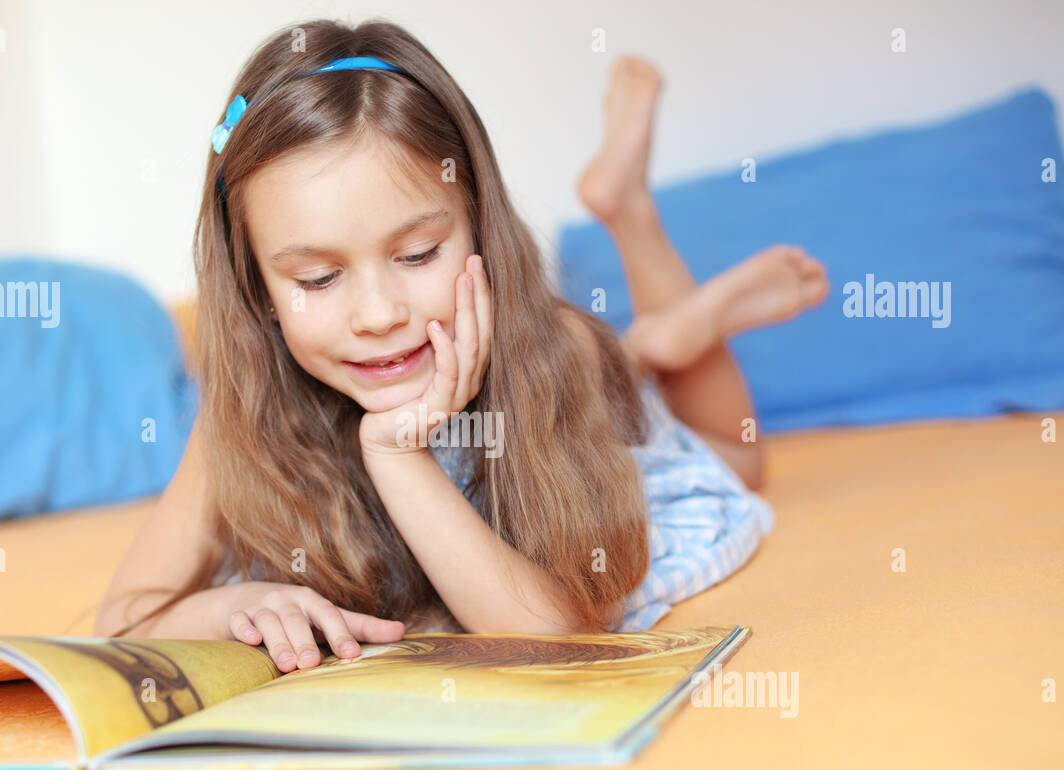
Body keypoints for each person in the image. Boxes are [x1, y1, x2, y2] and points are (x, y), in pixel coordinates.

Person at [95, 19, 827, 673]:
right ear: (255, 285)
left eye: (417, 255)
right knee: (630, 374)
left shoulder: (551, 348)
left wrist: (395, 452)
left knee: (737, 458)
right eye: (317, 278)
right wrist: (230, 608)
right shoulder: (243, 416)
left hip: (572, 394)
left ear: (478, 223)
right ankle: (642, 348)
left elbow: (555, 636)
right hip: (581, 371)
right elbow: (125, 620)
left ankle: (633, 228)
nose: (378, 315)